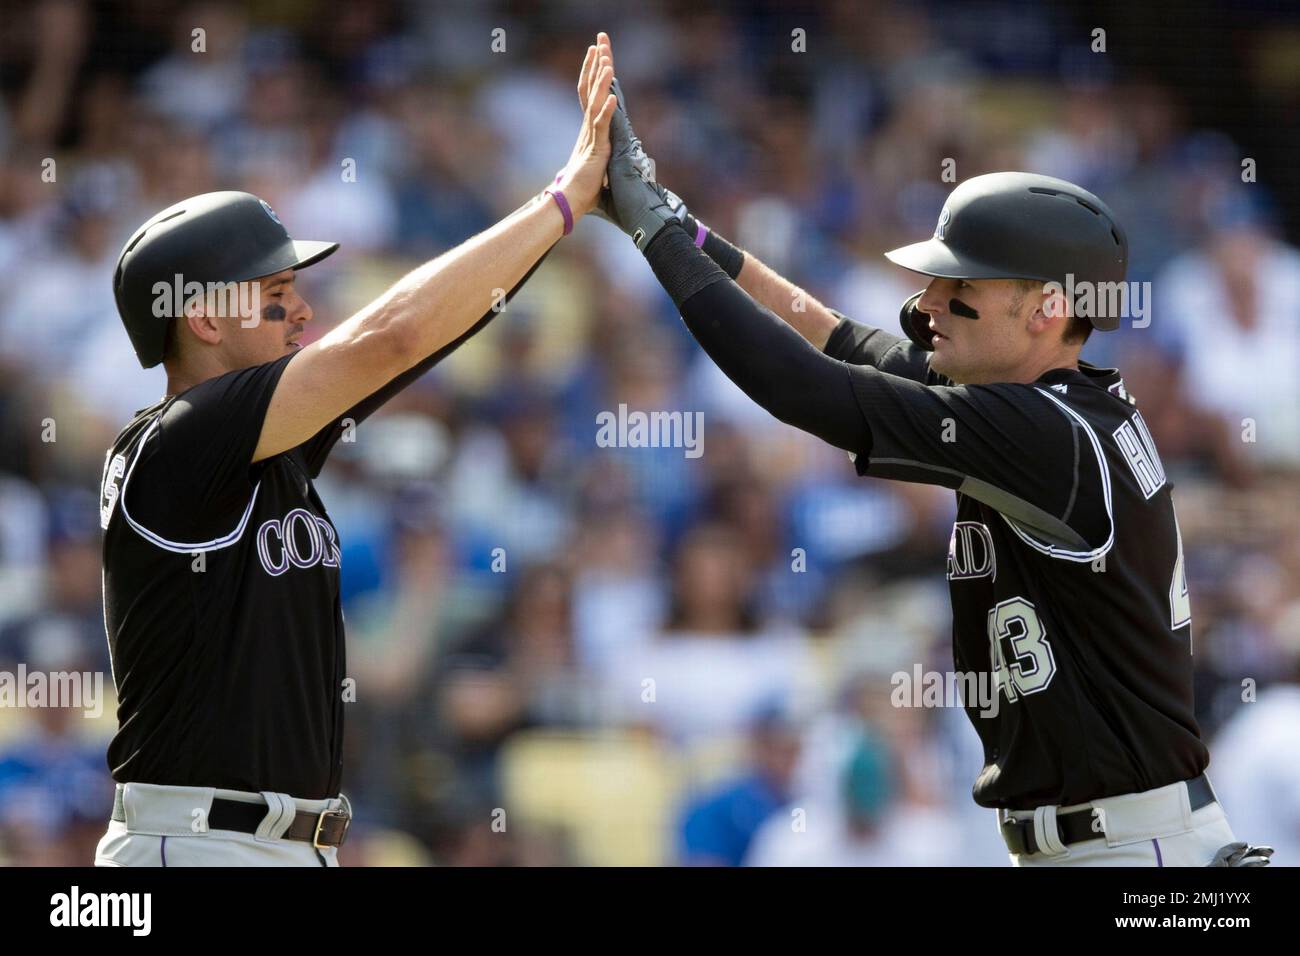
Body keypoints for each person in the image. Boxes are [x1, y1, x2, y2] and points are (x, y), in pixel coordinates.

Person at [589, 36, 1270, 867]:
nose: (929, 302)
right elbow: (845, 342)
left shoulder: (1041, 432)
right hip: (1106, 841)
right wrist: (685, 228)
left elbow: (805, 389)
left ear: (1046, 308)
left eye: (962, 287)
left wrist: (649, 232)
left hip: (1132, 853)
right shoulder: (1048, 401)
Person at [92, 39, 618, 867]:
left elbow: (419, 342)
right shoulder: (179, 441)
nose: (302, 313)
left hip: (282, 844)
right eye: (275, 296)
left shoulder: (271, 444)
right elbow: (392, 333)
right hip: (197, 846)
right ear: (200, 318)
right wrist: (560, 199)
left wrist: (568, 221)